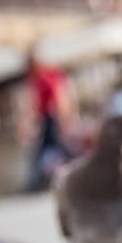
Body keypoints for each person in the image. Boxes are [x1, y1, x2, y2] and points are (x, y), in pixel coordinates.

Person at [26, 51, 74, 190]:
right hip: (48, 116)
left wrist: (62, 117)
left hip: (50, 116)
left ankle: (58, 178)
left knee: (52, 149)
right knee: (51, 149)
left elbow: (57, 97)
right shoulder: (41, 76)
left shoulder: (43, 76)